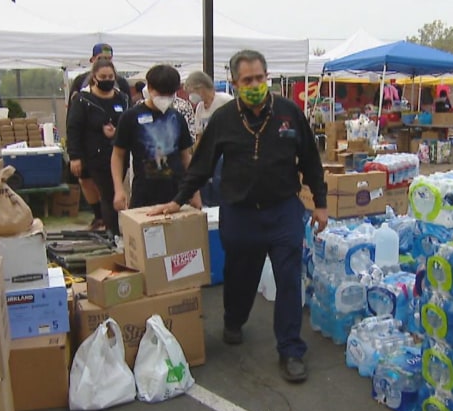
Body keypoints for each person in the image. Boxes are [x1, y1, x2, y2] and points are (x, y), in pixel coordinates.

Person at [150, 50, 328, 383]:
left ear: (267, 77)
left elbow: (310, 161)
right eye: (247, 80)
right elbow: (200, 166)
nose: (255, 85)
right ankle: (234, 320)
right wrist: (177, 201)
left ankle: (291, 349)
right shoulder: (223, 119)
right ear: (234, 83)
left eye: (260, 78)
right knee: (240, 277)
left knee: (289, 280)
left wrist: (320, 203)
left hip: (283, 212)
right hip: (240, 214)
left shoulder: (289, 113)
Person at [112, 65, 202, 210]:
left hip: (177, 195)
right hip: (144, 194)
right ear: (149, 88)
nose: (165, 98)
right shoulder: (130, 117)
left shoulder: (177, 118)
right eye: (161, 94)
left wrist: (195, 192)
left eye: (169, 94)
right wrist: (118, 189)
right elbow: (117, 155)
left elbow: (186, 157)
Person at [68, 44, 131, 231]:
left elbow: (129, 119)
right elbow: (73, 127)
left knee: (114, 192)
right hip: (94, 153)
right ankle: (107, 225)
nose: (107, 80)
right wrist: (74, 155)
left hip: (119, 151)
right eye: (103, 77)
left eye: (111, 77)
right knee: (106, 191)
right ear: (94, 77)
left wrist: (117, 130)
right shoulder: (82, 98)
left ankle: (114, 227)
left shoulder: (122, 96)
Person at [184, 71, 234, 207]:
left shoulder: (224, 100)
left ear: (200, 87)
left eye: (191, 91)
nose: (191, 96)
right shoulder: (200, 108)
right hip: (208, 155)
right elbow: (199, 135)